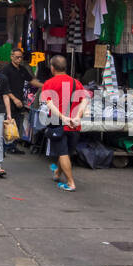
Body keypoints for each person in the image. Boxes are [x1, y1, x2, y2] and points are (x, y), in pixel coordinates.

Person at [41, 55, 87, 193]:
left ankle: (71, 183)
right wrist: (77, 117)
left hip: (58, 123)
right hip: (74, 124)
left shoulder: (49, 83)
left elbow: (50, 104)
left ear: (52, 67)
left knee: (62, 152)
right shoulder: (76, 82)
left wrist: (63, 117)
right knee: (66, 152)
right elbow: (84, 101)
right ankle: (57, 174)